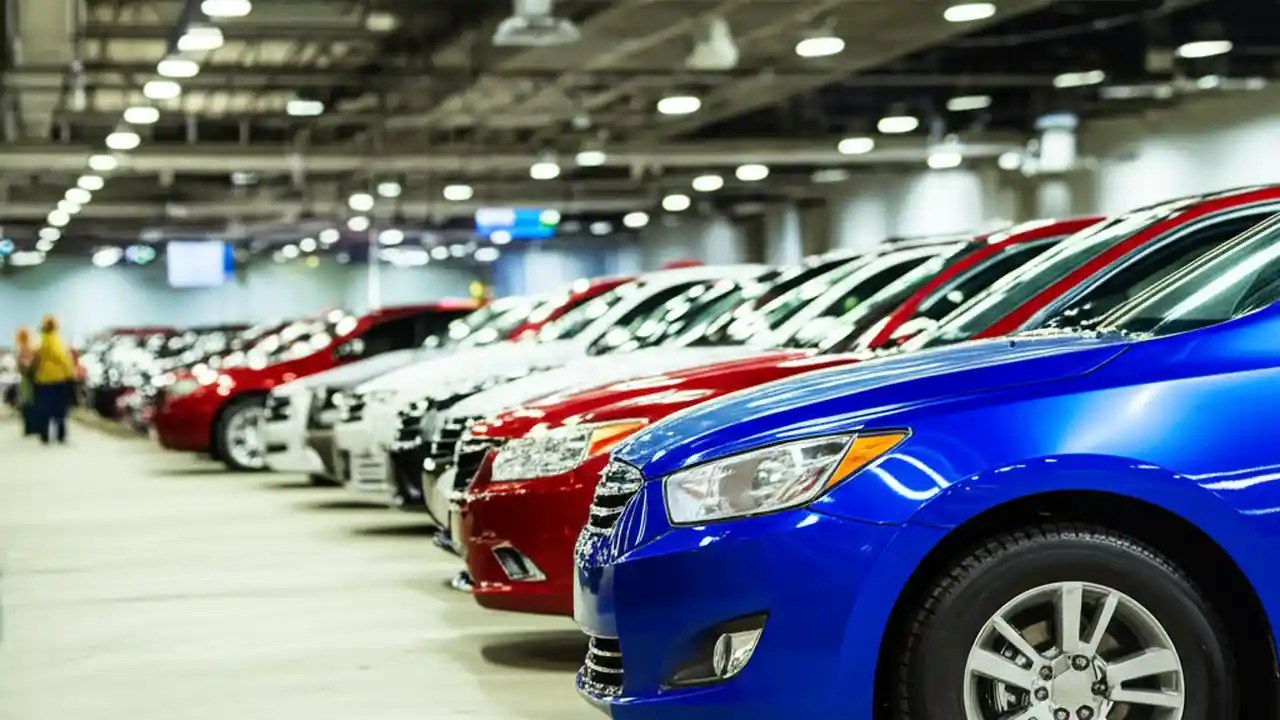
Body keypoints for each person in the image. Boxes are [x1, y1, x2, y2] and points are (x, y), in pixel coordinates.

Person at [31, 316, 77, 444]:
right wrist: (71, 375)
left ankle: (44, 435)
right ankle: (60, 435)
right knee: (60, 409)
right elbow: (65, 361)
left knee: (44, 409)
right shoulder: (58, 342)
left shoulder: (39, 342)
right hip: (59, 380)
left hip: (42, 380)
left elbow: (35, 361)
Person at [14, 327, 37, 436]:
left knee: (27, 402)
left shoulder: (20, 349)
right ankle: (30, 427)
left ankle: (29, 427)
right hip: (29, 378)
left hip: (25, 378)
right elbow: (26, 364)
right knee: (30, 403)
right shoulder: (27, 348)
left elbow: (19, 365)